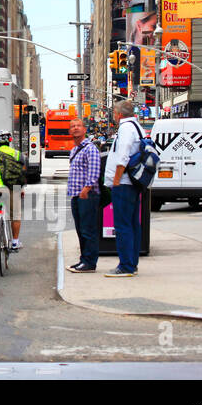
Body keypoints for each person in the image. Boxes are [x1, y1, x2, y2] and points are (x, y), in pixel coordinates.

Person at [104, 100, 145, 277]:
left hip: (124, 183)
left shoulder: (126, 129)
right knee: (132, 224)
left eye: (114, 111)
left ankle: (126, 265)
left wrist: (117, 180)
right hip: (132, 183)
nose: (113, 114)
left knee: (122, 225)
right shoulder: (137, 127)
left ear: (119, 114)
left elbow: (123, 155)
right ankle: (131, 263)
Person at [66, 118, 101, 273]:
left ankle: (90, 262)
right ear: (69, 131)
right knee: (80, 229)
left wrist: (86, 189)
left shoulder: (90, 148)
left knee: (88, 229)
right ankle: (84, 260)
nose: (75, 128)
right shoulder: (74, 150)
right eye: (72, 126)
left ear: (84, 129)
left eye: (78, 126)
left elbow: (94, 171)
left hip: (87, 195)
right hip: (76, 195)